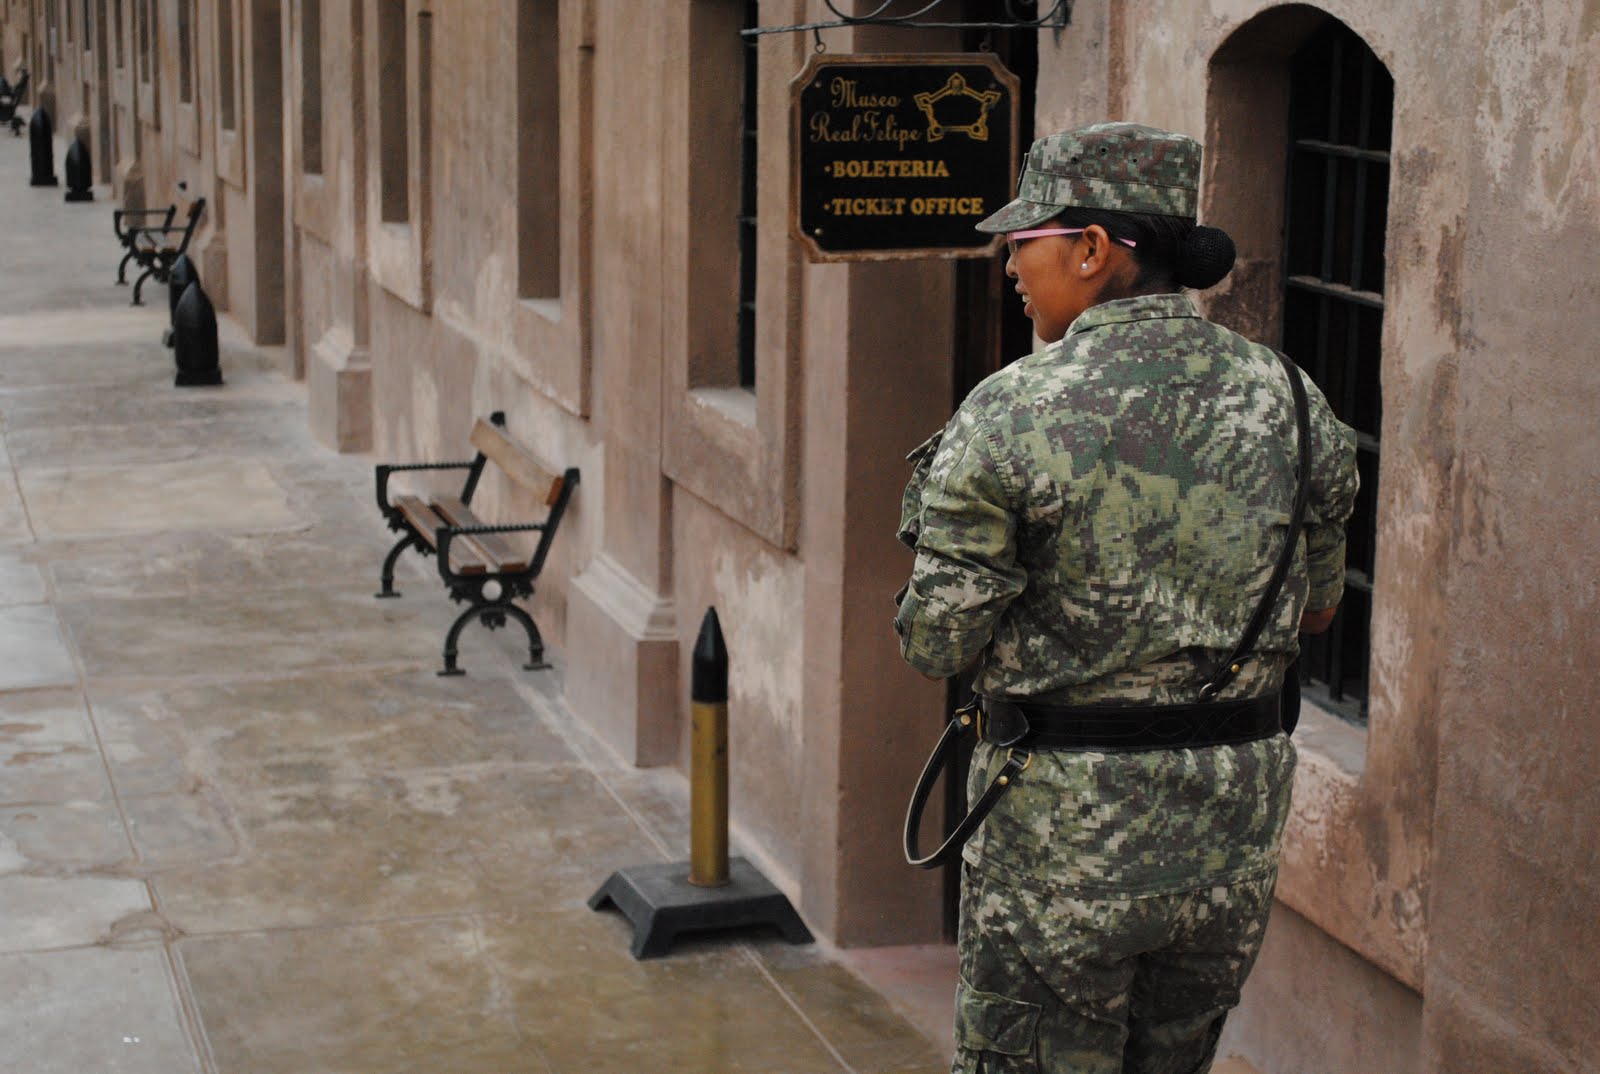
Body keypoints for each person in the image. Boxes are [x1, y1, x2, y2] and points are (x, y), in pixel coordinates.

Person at [894, 122, 1359, 1073]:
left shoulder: (1013, 407)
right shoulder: (1293, 398)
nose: (1008, 265)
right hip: (1227, 840)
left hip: (1063, 846)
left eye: (1024, 242)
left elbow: (937, 641)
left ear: (1094, 249)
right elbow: (1316, 611)